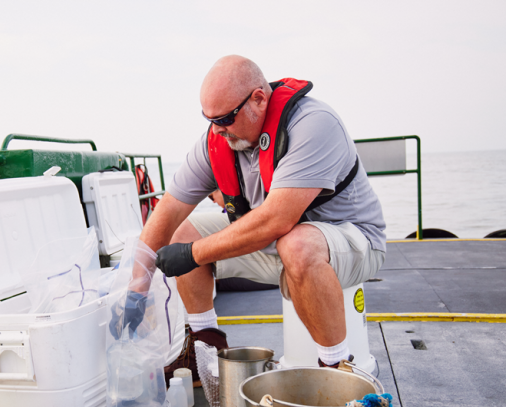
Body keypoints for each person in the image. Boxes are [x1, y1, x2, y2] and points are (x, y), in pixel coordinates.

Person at [137, 55, 386, 384]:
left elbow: (276, 221)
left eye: (225, 117)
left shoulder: (313, 124)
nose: (217, 129)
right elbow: (169, 208)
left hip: (354, 242)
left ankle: (337, 370)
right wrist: (136, 286)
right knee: (184, 230)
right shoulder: (219, 139)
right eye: (209, 119)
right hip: (277, 247)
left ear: (259, 98)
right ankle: (204, 348)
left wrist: (192, 254)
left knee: (295, 243)